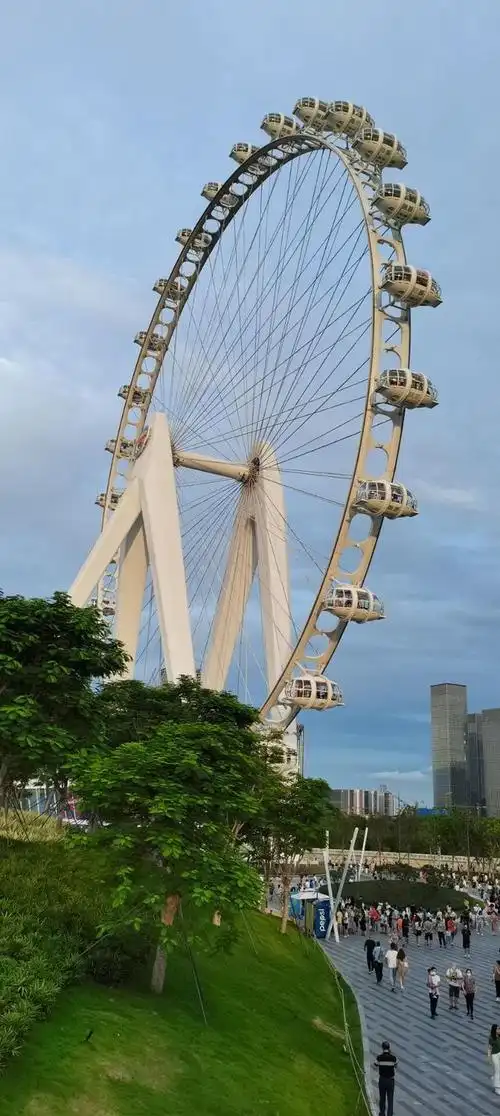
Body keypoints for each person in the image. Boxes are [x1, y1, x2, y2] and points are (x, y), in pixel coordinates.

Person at [373, 1040, 397, 1116]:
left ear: (382, 1048)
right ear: (389, 1048)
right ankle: (389, 1114)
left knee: (382, 1098)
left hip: (382, 1080)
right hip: (390, 1080)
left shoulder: (379, 1057)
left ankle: (382, 1113)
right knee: (390, 1099)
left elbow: (375, 1065)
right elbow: (396, 1066)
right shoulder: (393, 1058)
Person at [488, 1024, 500, 1095]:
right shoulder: (492, 1038)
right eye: (498, 1029)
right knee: (498, 1071)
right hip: (495, 1055)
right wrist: (489, 1058)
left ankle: (495, 1078)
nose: (499, 1030)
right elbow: (489, 1048)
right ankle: (497, 1088)